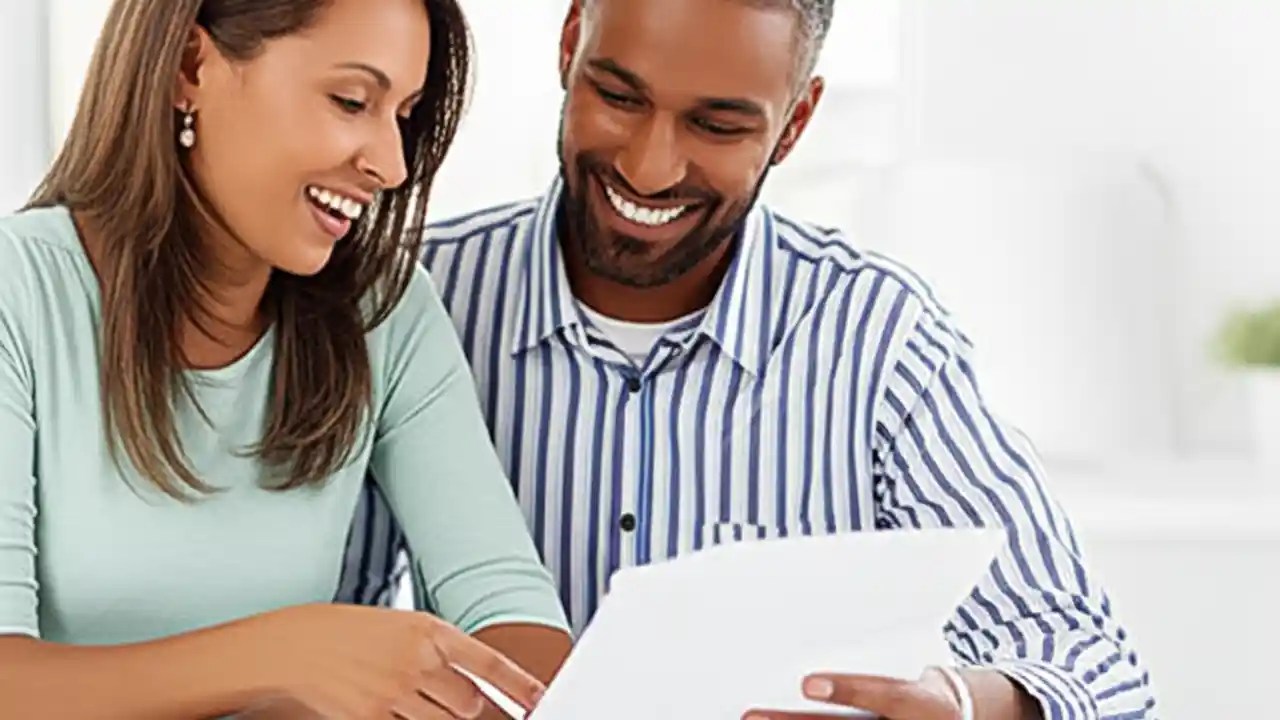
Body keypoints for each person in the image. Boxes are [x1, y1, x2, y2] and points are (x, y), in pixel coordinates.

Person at [343, 0, 1158, 718]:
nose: (648, 166)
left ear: (795, 123)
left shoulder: (877, 338)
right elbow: (331, 607)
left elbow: (1093, 663)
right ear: (569, 45)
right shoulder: (416, 305)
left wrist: (957, 704)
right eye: (619, 97)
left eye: (718, 125)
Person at [0, 0, 574, 717]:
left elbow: (507, 605)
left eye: (403, 114)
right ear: (190, 67)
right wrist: (285, 654)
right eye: (350, 100)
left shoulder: (381, 312)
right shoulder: (18, 294)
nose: (391, 165)